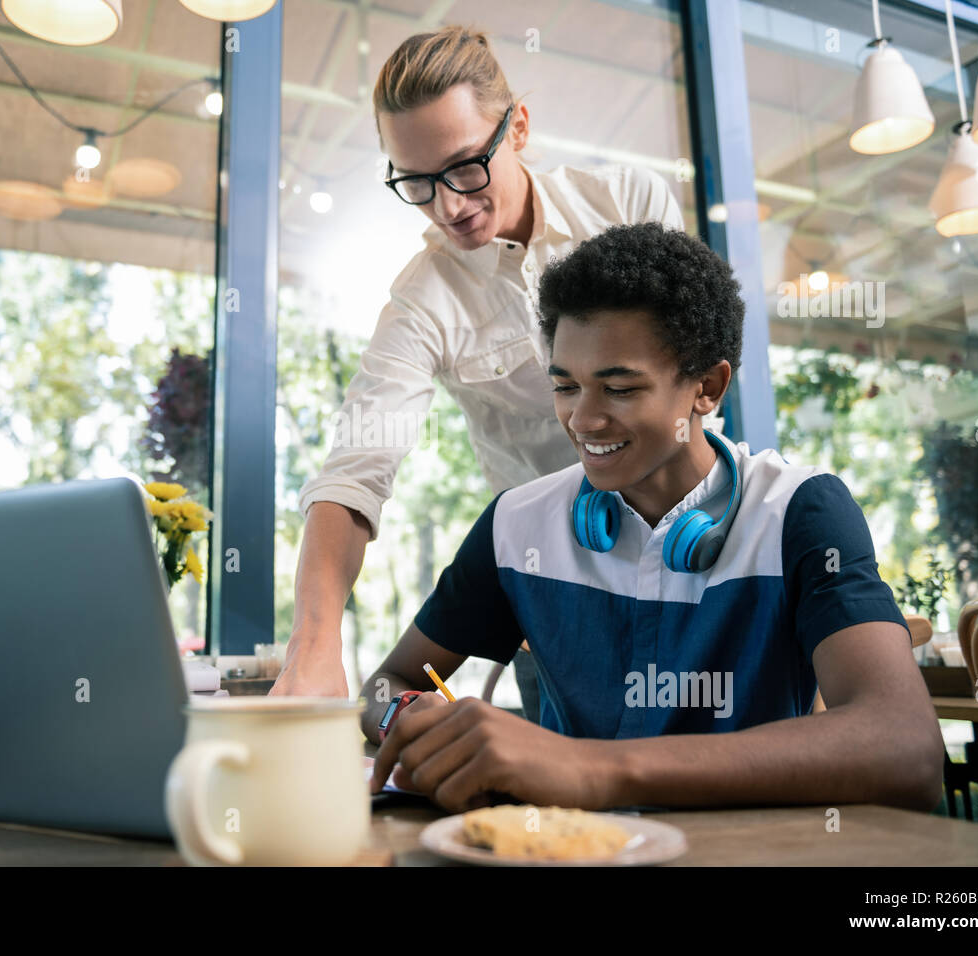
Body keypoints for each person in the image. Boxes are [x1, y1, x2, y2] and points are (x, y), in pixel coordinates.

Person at [364, 222, 944, 814]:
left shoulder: (799, 511)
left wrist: (588, 769)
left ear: (707, 387)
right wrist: (410, 716)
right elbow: (387, 684)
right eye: (566, 386)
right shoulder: (516, 524)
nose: (582, 421)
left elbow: (905, 747)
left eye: (618, 389)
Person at [271, 24, 684, 699]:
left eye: (465, 166)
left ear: (517, 127)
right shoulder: (422, 300)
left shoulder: (628, 206)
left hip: (687, 554)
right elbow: (356, 469)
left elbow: (686, 380)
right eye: (418, 182)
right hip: (554, 594)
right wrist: (313, 645)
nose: (449, 206)